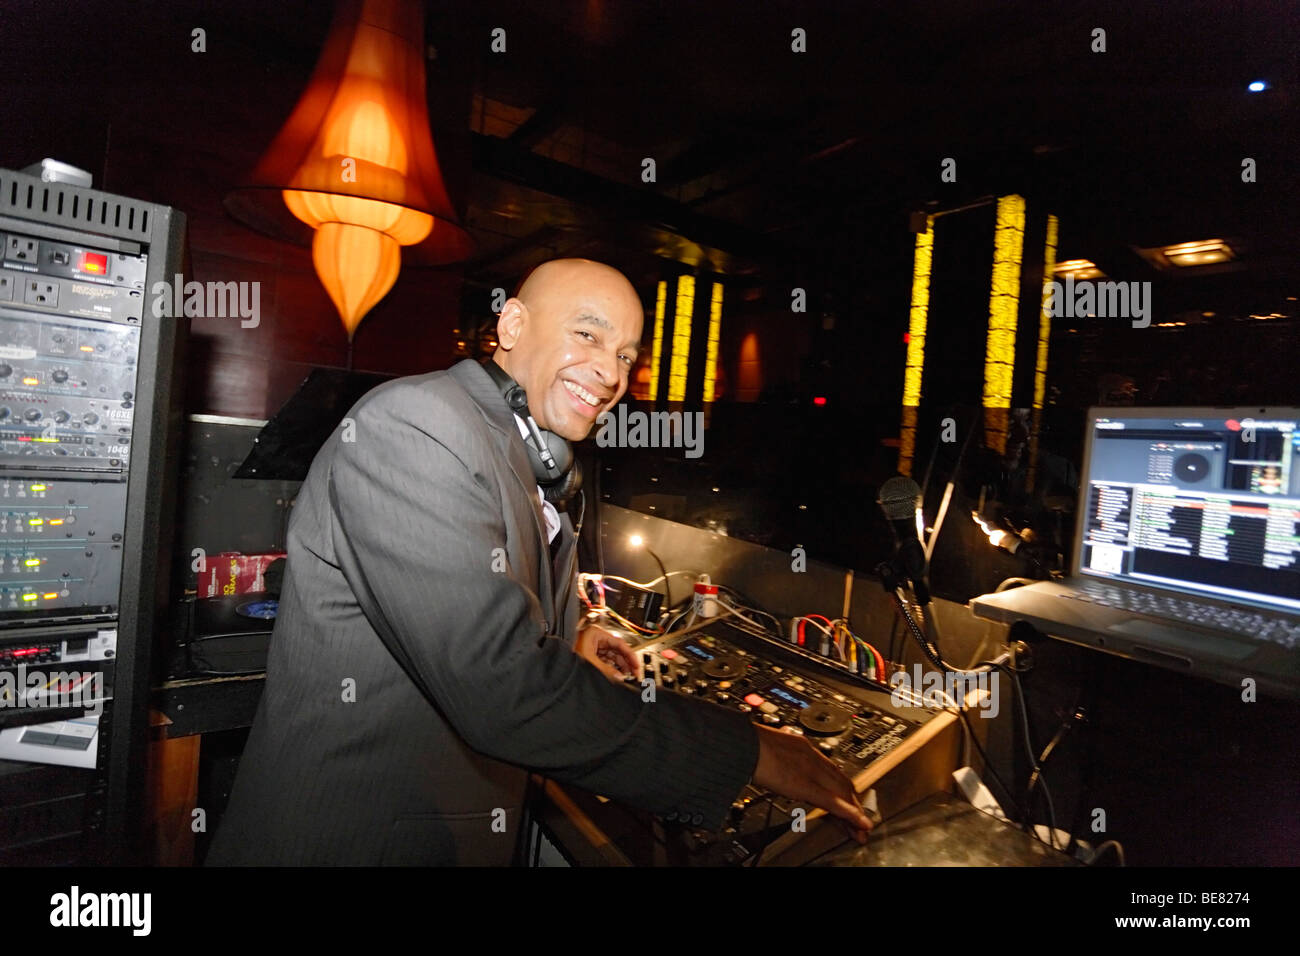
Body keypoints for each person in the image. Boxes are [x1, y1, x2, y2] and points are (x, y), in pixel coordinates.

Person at [207, 258, 870, 865]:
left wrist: (568, 636)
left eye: (625, 355)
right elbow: (500, 687)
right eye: (587, 336)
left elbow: (479, 606)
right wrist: (748, 749)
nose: (611, 374)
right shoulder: (414, 426)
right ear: (513, 324)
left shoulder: (524, 453)